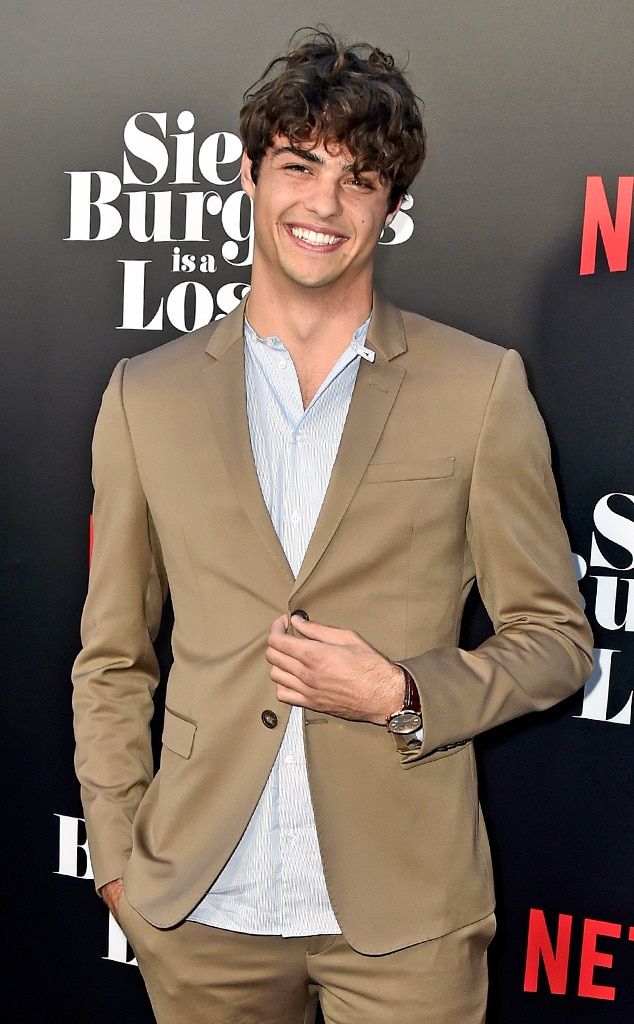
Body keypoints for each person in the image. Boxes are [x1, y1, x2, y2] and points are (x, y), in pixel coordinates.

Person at [72, 28, 593, 1024]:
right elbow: (111, 658)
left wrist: (403, 690)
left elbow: (557, 641)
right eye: (299, 165)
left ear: (391, 208)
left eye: (360, 179)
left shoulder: (478, 388)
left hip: (405, 918)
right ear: (247, 175)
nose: (323, 203)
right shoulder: (147, 395)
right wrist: (118, 865)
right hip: (197, 914)